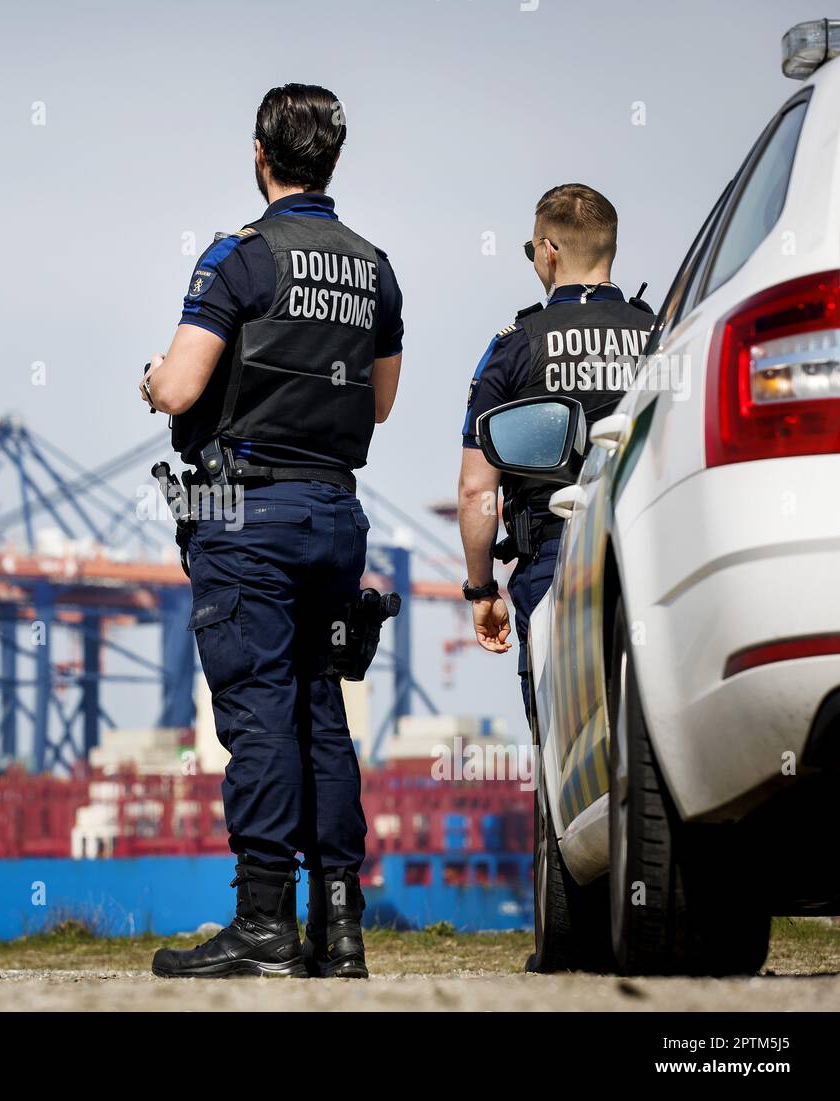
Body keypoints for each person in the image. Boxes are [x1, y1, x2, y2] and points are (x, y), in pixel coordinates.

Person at [139, 83, 403, 978]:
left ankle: (262, 924)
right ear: (335, 157)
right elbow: (383, 402)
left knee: (257, 715)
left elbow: (179, 389)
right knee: (320, 712)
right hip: (336, 513)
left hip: (246, 515)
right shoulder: (374, 266)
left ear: (261, 155)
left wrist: (153, 377)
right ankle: (340, 928)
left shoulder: (238, 260)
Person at [457, 184, 653, 718]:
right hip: (647, 547)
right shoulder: (662, 336)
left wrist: (481, 591)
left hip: (554, 559)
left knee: (562, 744)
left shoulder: (514, 346)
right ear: (608, 250)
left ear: (548, 251)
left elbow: (478, 491)